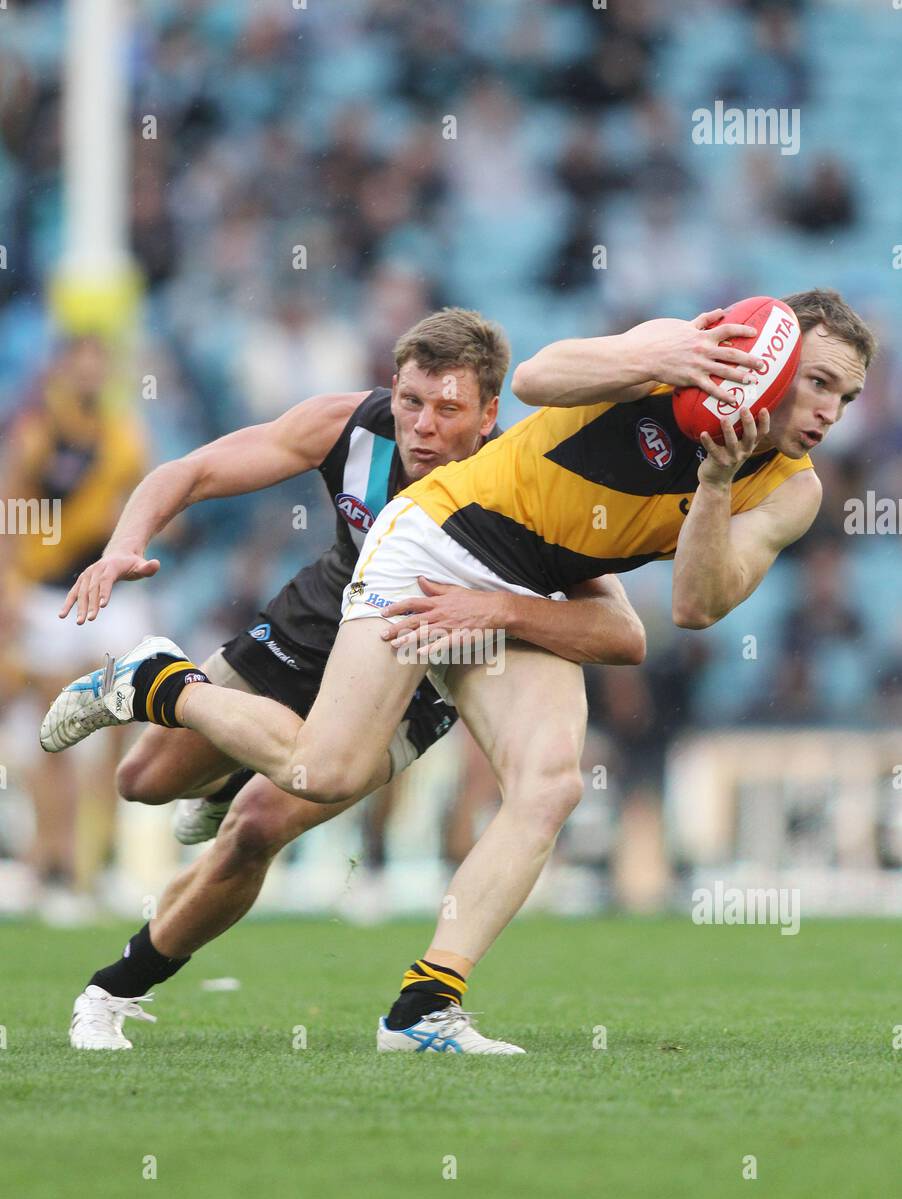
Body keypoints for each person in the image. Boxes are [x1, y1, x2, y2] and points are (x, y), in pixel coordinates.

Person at [43, 290, 873, 1054]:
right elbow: (545, 375)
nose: (832, 413)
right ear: (774, 358)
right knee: (302, 773)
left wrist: (718, 484)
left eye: (850, 398)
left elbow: (693, 608)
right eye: (822, 383)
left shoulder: (791, 490)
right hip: (440, 542)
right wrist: (664, 360)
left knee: (549, 784)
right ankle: (159, 682)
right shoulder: (676, 348)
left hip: (515, 594)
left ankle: (423, 1007)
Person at [0, 335, 149, 923]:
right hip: (47, 595)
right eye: (79, 364)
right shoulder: (38, 432)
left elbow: (146, 503)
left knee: (119, 720)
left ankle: (102, 858)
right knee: (54, 727)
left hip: (108, 595)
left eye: (98, 364)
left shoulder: (123, 435)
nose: (89, 375)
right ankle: (58, 861)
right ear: (63, 369)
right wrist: (8, 584)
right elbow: (11, 508)